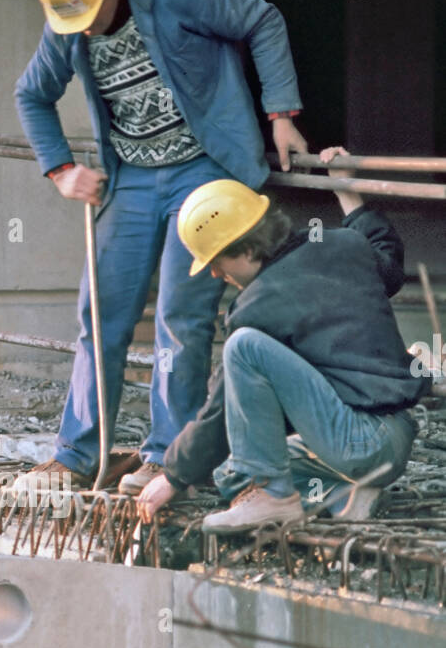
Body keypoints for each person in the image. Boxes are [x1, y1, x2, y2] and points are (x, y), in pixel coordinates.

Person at [14, 0, 306, 494]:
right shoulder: (68, 22)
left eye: (93, 14)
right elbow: (32, 94)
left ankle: (166, 460)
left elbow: (262, 19)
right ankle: (75, 456)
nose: (85, 29)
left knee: (181, 316)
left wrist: (280, 114)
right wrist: (61, 170)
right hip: (131, 178)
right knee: (100, 314)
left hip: (202, 168)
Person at [135, 148, 426, 531]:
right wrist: (347, 189)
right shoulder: (343, 244)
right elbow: (388, 258)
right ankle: (347, 494)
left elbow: (220, 410)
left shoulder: (254, 308)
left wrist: (172, 476)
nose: (215, 276)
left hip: (356, 441)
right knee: (230, 473)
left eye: (217, 263)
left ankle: (275, 496)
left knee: (243, 348)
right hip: (393, 439)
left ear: (250, 249)